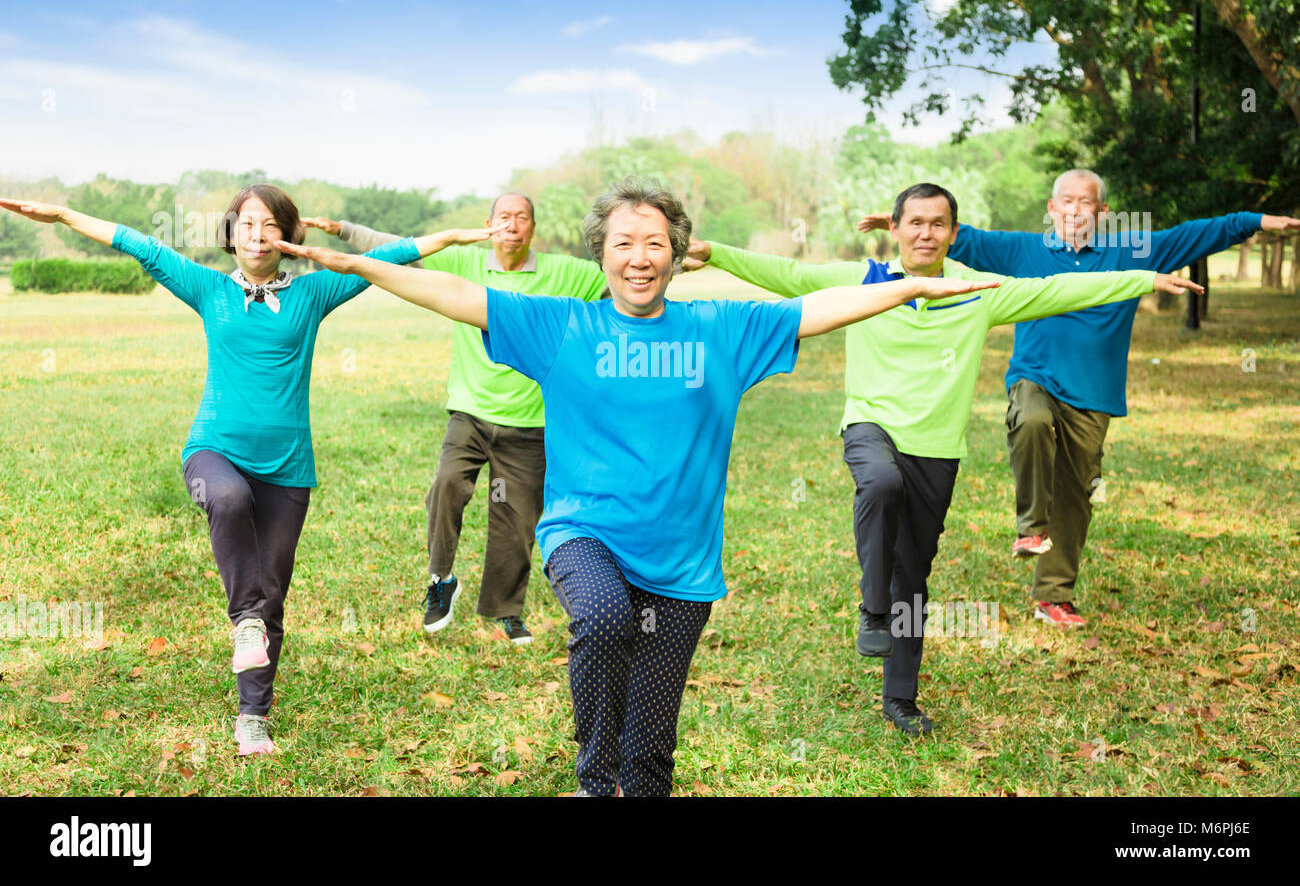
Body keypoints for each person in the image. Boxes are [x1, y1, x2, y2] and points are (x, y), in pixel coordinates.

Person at [274, 176, 996, 793]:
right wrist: (356, 262)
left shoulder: (720, 330)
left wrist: (914, 289)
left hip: (684, 568)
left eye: (654, 243)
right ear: (602, 254)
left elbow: (817, 310)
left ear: (677, 255)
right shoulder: (561, 327)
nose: (639, 257)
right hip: (583, 534)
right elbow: (452, 292)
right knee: (604, 619)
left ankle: (625, 775)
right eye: (623, 242)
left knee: (649, 755)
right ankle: (594, 771)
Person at [688, 182, 1202, 735]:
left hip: (937, 449)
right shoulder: (861, 282)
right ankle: (872, 609)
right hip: (871, 425)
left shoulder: (977, 291)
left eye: (938, 224)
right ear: (895, 228)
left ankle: (900, 699)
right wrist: (716, 252)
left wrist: (1144, 278)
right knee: (880, 484)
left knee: (913, 572)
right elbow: (787, 276)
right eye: (915, 222)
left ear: (954, 233)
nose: (926, 233)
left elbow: (1062, 289)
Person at [0, 188, 481, 756]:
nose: (256, 232)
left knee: (272, 594)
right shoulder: (210, 290)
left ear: (287, 235)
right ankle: (243, 620)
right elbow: (138, 244)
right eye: (246, 223)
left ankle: (253, 715)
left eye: (269, 223)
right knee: (226, 501)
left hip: (288, 469)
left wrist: (448, 237)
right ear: (232, 233)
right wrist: (61, 214)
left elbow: (388, 257)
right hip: (213, 451)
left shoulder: (314, 293)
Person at [858, 169, 1300, 627]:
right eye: (1065, 201)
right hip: (1035, 377)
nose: (1074, 210)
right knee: (1029, 419)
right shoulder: (1023, 249)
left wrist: (1255, 220)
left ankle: (1052, 596)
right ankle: (1030, 525)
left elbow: (1197, 233)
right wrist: (902, 220)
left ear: (1102, 212)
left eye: (1085, 202)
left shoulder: (1130, 250)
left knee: (1075, 494)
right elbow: (960, 237)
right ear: (1052, 210)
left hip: (1094, 394)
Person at [303, 194, 608, 645]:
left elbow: (627, 273)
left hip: (530, 420)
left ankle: (505, 611)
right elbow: (399, 247)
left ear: (532, 229)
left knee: (517, 517)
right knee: (447, 484)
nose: (512, 224)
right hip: (470, 411)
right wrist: (342, 230)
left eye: (522, 218)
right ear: (488, 225)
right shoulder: (465, 263)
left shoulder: (566, 272)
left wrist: (677, 255)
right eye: (504, 216)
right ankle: (440, 579)